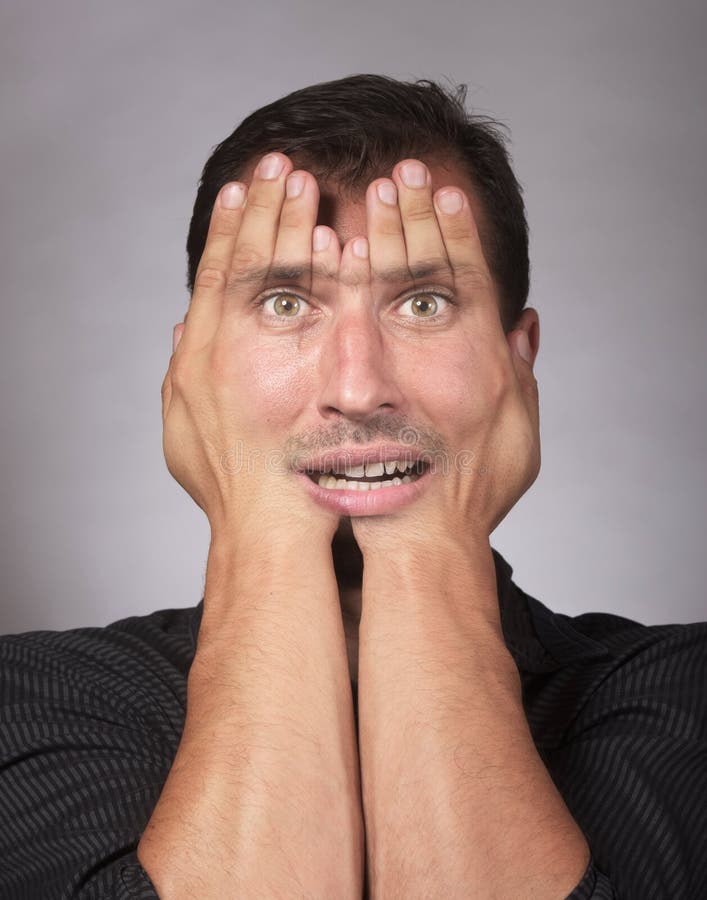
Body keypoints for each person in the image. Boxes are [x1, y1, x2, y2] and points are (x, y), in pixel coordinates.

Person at [0, 74, 705, 900]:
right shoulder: (37, 700)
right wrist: (265, 544)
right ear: (192, 369)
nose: (359, 386)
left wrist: (425, 552)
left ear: (519, 361)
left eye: (424, 303)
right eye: (288, 301)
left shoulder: (678, 696)